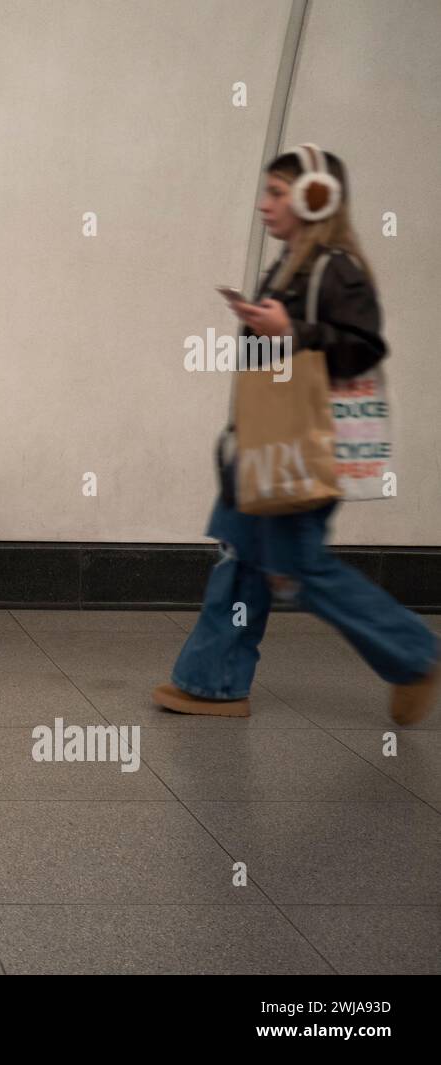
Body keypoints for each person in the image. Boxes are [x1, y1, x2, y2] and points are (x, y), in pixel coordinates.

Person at [153, 144, 439, 724]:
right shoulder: (289, 265)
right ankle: (214, 684)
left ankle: (417, 655)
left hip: (301, 449)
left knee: (301, 569)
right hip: (264, 446)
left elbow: (363, 346)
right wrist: (264, 327)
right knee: (242, 560)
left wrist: (293, 328)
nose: (264, 205)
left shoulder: (337, 269)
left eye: (278, 193)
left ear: (317, 199)